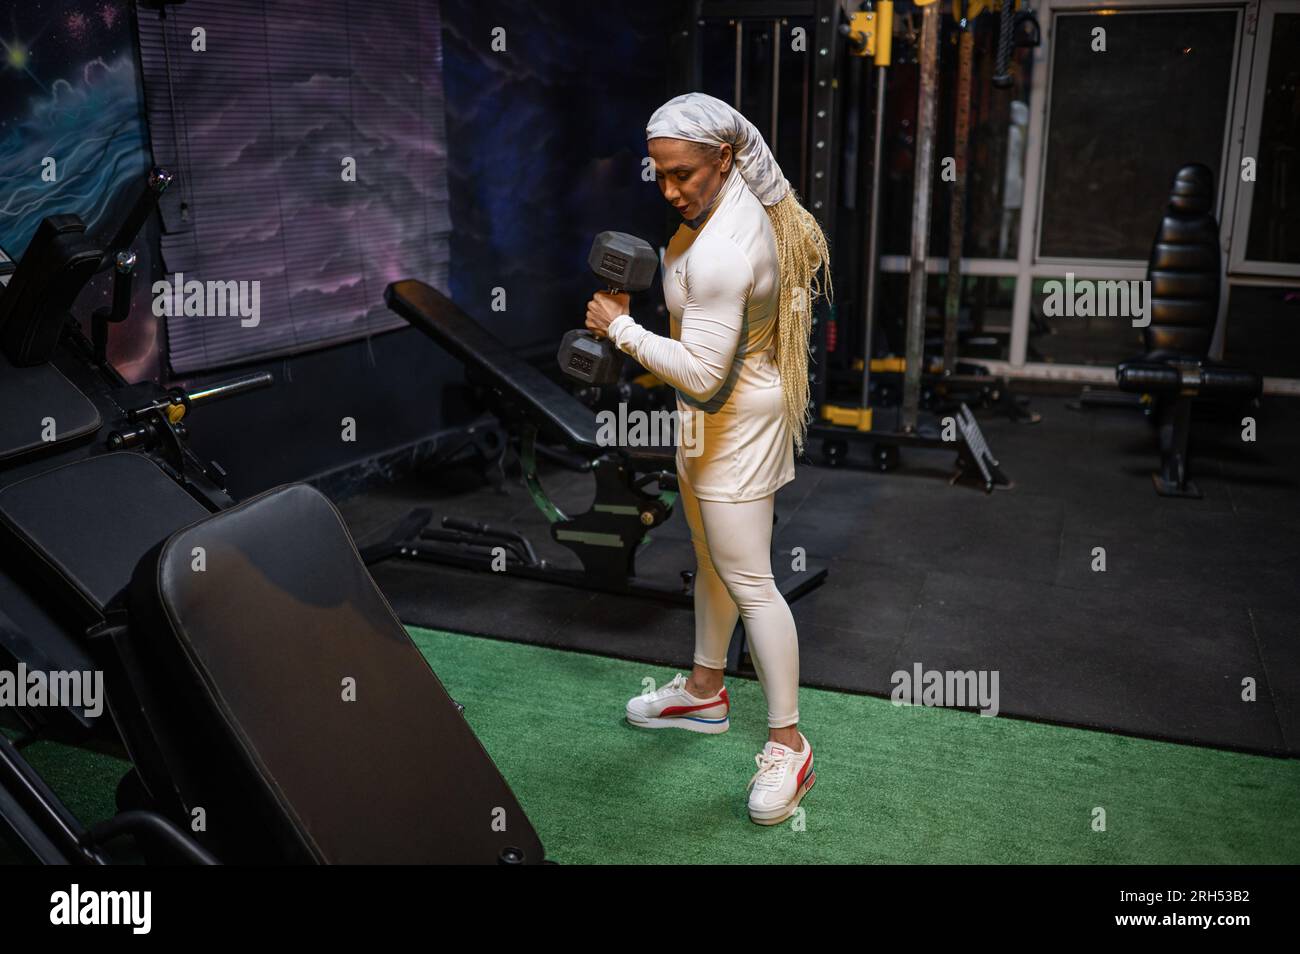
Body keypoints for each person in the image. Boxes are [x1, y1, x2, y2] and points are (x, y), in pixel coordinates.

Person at [584, 92, 832, 825]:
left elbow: (701, 372)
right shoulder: (708, 217)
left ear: (724, 158)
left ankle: (790, 745)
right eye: (658, 174)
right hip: (703, 426)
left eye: (684, 174)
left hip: (735, 428)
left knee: (752, 581)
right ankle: (704, 692)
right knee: (709, 557)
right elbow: (694, 366)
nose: (670, 189)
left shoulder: (726, 246)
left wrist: (621, 331)